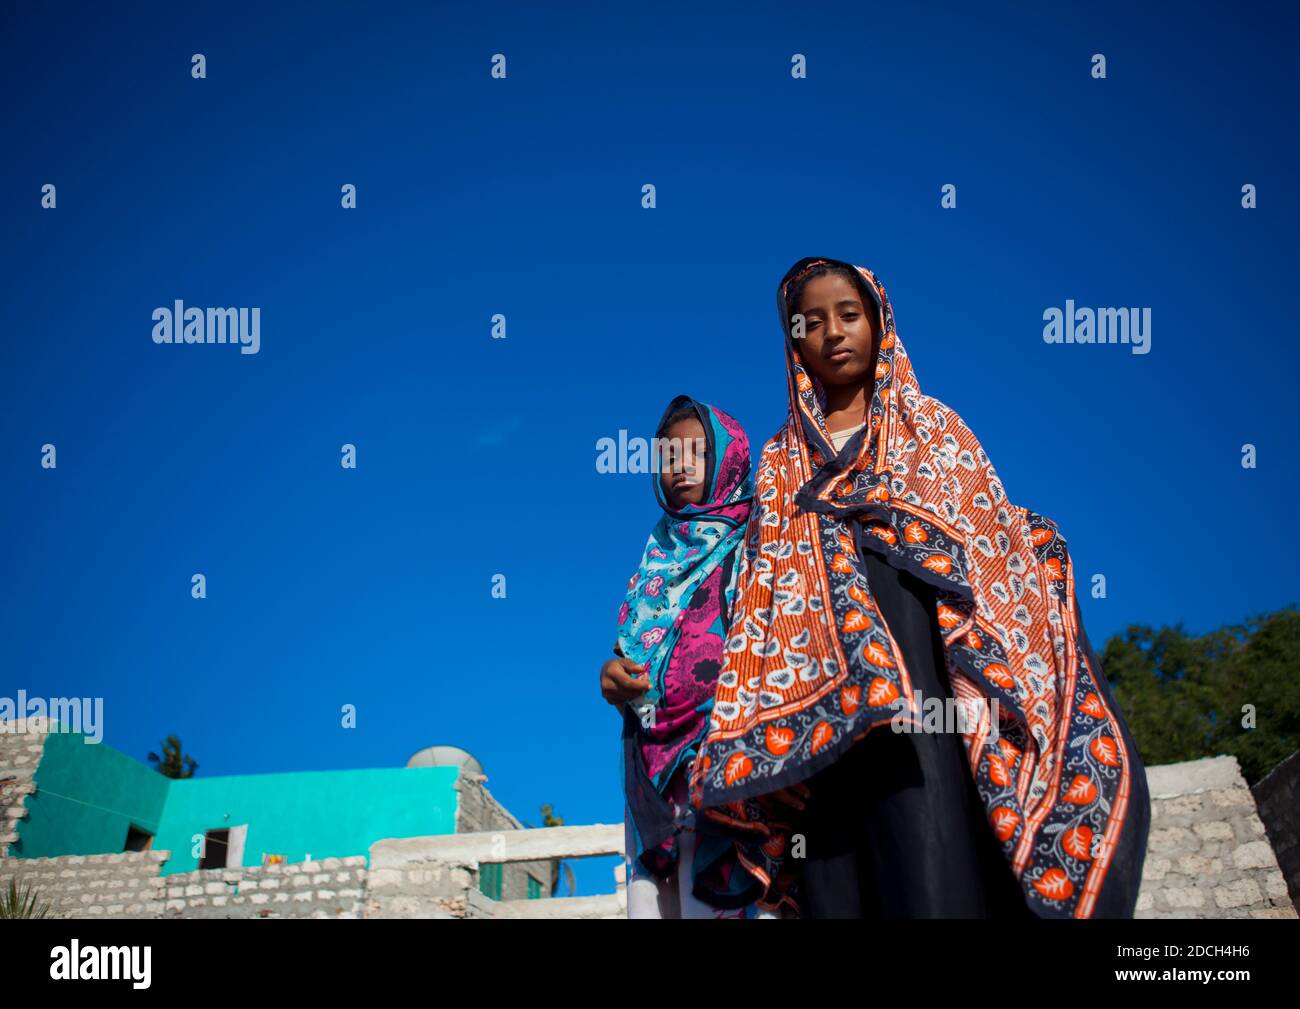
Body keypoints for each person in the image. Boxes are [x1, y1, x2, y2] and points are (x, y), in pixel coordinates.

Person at [686, 257, 1152, 919]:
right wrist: (765, 750)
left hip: (928, 698)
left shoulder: (934, 430)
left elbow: (993, 555)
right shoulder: (780, 459)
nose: (832, 332)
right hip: (819, 732)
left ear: (880, 324)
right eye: (810, 322)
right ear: (793, 343)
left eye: (848, 314)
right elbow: (761, 610)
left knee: (934, 863)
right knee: (838, 885)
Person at [603, 394, 793, 918]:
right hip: (656, 778)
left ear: (729, 459)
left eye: (695, 452)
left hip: (734, 769)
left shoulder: (764, 540)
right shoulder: (657, 558)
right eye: (667, 456)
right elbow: (632, 658)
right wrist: (612, 677)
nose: (678, 466)